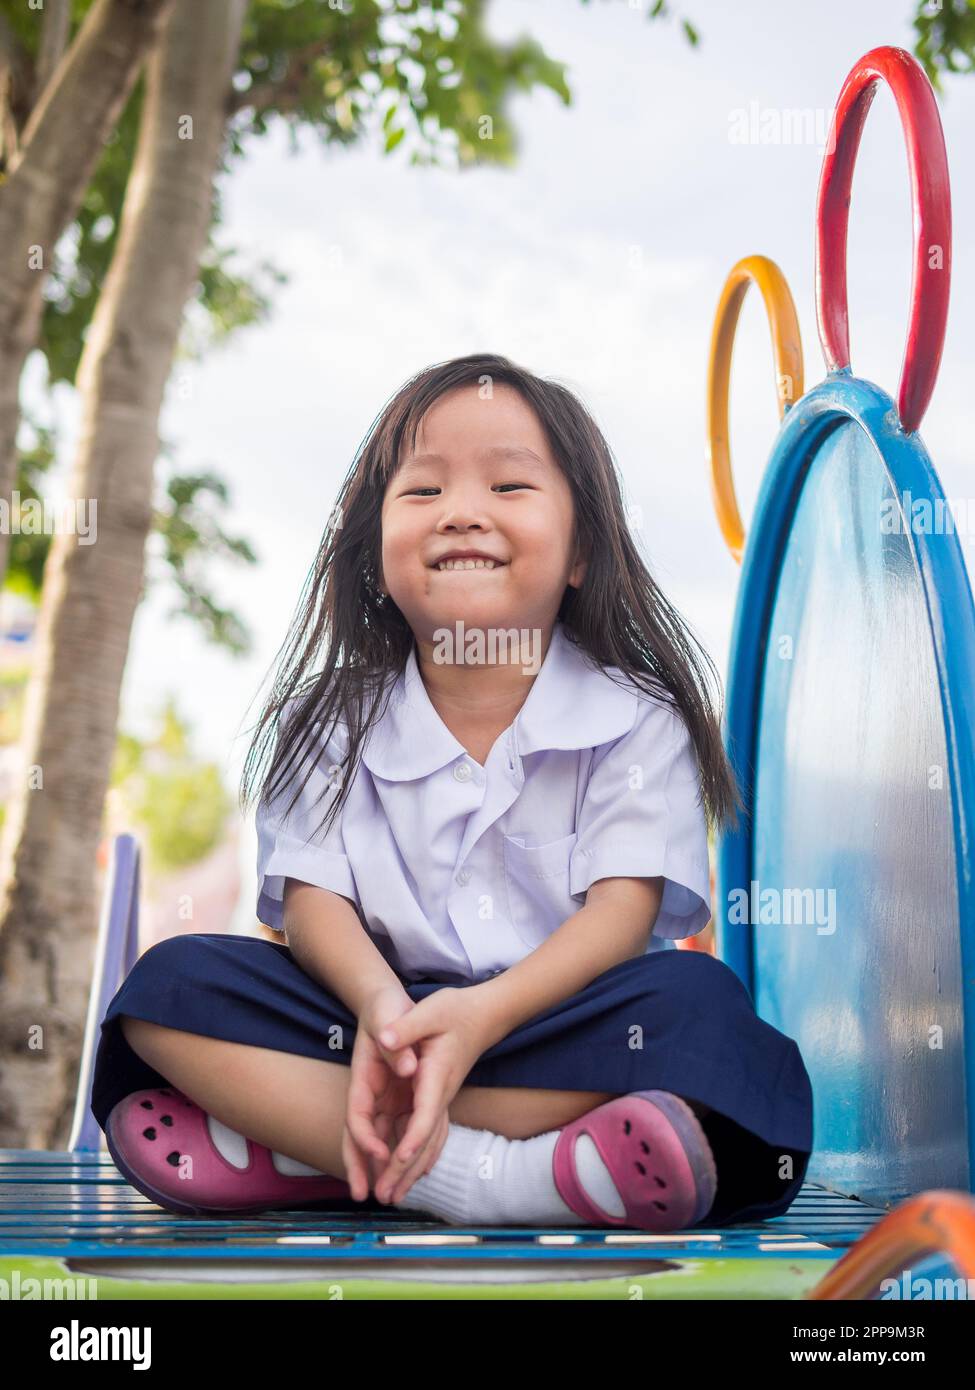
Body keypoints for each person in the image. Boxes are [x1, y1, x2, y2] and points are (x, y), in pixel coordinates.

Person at [90, 352, 813, 1230]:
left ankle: (308, 1146)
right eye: (423, 493)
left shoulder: (634, 716)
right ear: (375, 553)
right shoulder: (329, 719)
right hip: (365, 1029)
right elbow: (313, 903)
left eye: (510, 486)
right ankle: (511, 1171)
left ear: (581, 550)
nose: (463, 513)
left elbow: (623, 912)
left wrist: (476, 1020)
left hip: (558, 1026)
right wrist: (385, 1015)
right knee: (168, 992)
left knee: (705, 1017)